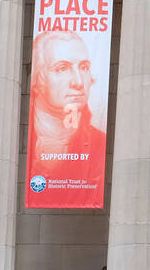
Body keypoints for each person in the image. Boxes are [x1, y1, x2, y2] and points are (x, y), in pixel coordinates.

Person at [27, 30, 107, 186]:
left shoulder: (100, 142)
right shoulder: (20, 134)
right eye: (62, 68)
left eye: (83, 67)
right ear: (37, 78)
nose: (78, 82)